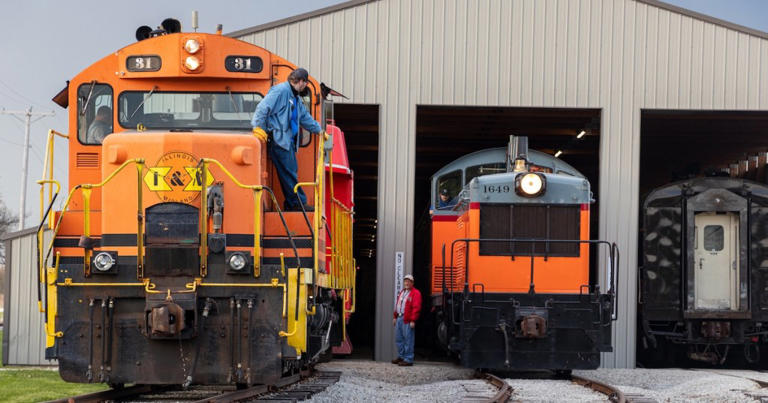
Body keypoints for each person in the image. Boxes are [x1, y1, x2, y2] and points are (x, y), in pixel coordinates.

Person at [251, 68, 323, 211]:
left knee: (290, 171)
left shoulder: (294, 97)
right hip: (279, 140)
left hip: (286, 141)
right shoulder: (281, 91)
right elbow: (262, 108)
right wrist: (258, 127)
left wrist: (319, 130)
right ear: (301, 81)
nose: (304, 87)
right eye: (305, 84)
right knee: (289, 172)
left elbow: (304, 118)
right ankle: (296, 203)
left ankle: (293, 203)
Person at [392, 274, 422, 366]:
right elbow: (398, 304)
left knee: (408, 339)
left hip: (407, 319)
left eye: (409, 281)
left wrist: (413, 320)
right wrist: (395, 316)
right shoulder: (402, 292)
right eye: (405, 281)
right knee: (399, 338)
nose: (407, 283)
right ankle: (401, 356)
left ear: (412, 283)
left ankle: (408, 359)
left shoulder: (416, 293)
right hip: (400, 318)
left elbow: (416, 307)